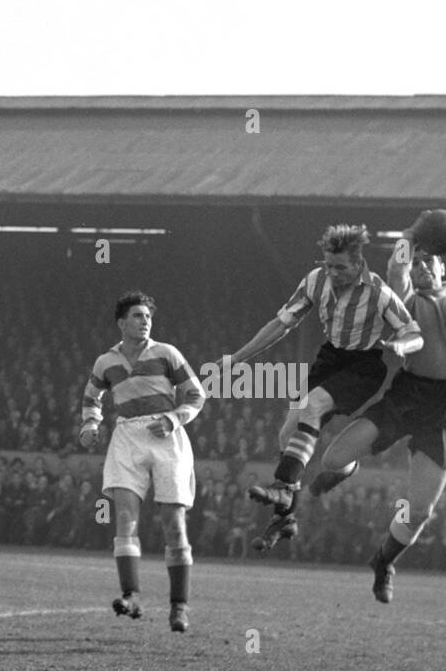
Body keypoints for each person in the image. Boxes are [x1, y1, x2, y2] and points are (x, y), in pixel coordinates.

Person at [309, 216, 446, 603]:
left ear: (444, 269)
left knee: (421, 510)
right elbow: (397, 268)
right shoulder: (407, 302)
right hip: (407, 393)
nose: (424, 266)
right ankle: (351, 466)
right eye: (419, 261)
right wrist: (409, 236)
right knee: (331, 460)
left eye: (432, 262)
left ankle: (384, 560)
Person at [214, 224, 422, 548]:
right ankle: (285, 520)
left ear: (358, 264)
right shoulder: (315, 281)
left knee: (313, 406)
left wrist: (401, 347)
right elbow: (281, 324)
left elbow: (414, 333)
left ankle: (283, 485)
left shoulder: (380, 293)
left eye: (340, 267)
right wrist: (239, 358)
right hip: (329, 360)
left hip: (364, 366)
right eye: (328, 264)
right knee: (287, 432)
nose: (332, 272)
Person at [79, 291, 205, 633]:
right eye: (137, 315)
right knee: (124, 517)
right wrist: (90, 425)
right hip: (127, 438)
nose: (144, 320)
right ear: (122, 323)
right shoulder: (106, 361)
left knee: (174, 524)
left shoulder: (167, 353)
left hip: (166, 437)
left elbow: (196, 394)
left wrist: (174, 419)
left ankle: (179, 606)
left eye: (147, 316)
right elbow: (92, 398)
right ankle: (131, 596)